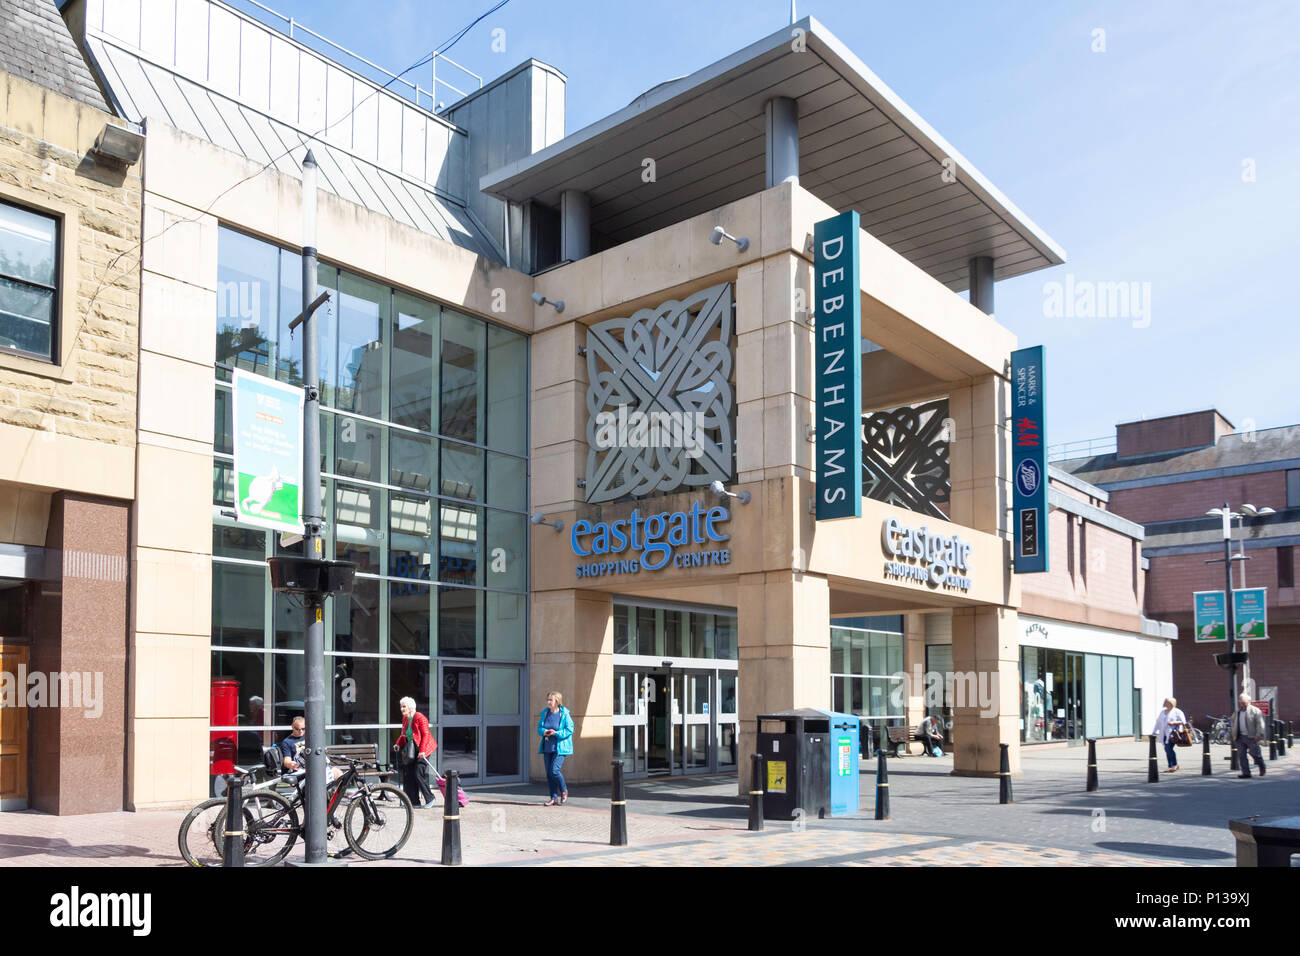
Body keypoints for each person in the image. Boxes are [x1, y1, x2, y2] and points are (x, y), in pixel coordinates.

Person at [394, 697, 438, 808]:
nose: (402, 709)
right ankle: (414, 801)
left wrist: (422, 751)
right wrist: (398, 744)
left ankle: (430, 798)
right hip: (412, 751)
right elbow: (403, 735)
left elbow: (426, 735)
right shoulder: (405, 719)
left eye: (404, 706)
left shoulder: (419, 717)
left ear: (410, 707)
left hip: (424, 749)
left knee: (418, 773)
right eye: (401, 706)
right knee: (408, 774)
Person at [537, 691, 574, 806]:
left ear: (557, 701)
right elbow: (539, 728)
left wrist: (556, 733)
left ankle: (564, 790)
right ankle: (553, 797)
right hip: (548, 747)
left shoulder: (564, 714)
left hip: (560, 748)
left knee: (554, 770)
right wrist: (544, 732)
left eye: (551, 700)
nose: (548, 702)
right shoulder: (545, 713)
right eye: (547, 699)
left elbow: (570, 729)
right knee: (549, 774)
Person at [1231, 692, 1267, 779]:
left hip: (1251, 736)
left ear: (1249, 701)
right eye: (1240, 702)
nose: (1242, 704)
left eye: (1243, 702)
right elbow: (1232, 722)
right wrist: (1233, 734)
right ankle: (1246, 773)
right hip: (1240, 737)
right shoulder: (1237, 712)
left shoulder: (1255, 711)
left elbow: (1260, 724)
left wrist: (1259, 734)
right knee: (1242, 755)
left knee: (1255, 754)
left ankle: (1262, 766)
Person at [1151, 697, 1187, 772]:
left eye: (1166, 702)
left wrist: (1174, 723)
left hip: (1173, 734)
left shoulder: (1177, 711)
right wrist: (1154, 732)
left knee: (1168, 748)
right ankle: (1171, 766)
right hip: (1163, 734)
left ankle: (1173, 765)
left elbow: (1183, 722)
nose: (1165, 703)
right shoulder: (1162, 712)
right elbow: (1158, 722)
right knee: (1167, 749)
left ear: (1171, 703)